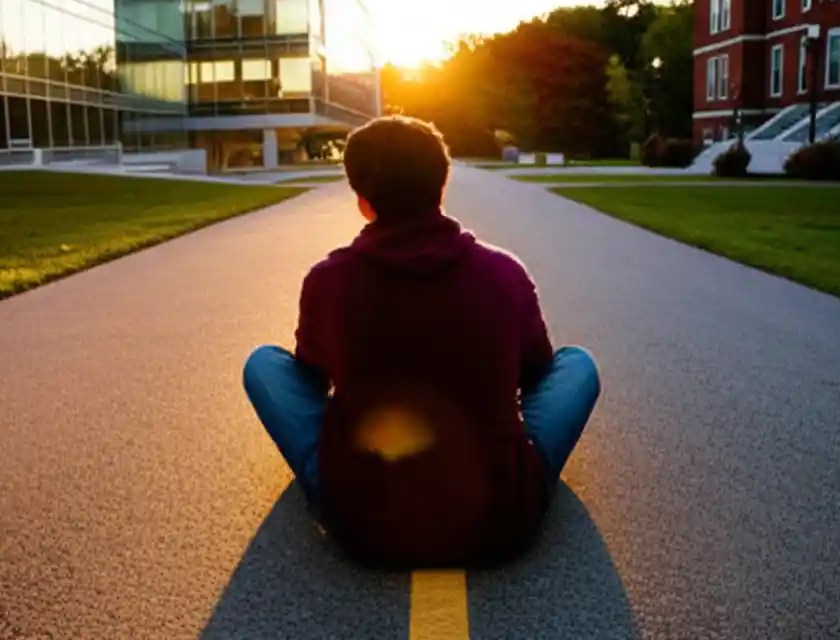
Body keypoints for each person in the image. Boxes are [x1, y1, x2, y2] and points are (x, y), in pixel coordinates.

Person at [242, 116, 600, 568]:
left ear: (363, 202)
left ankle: (349, 473)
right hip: (501, 522)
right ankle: (510, 464)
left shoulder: (328, 280)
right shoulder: (503, 272)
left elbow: (310, 376)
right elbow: (537, 371)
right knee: (577, 365)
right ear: (442, 186)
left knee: (264, 364)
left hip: (364, 527)